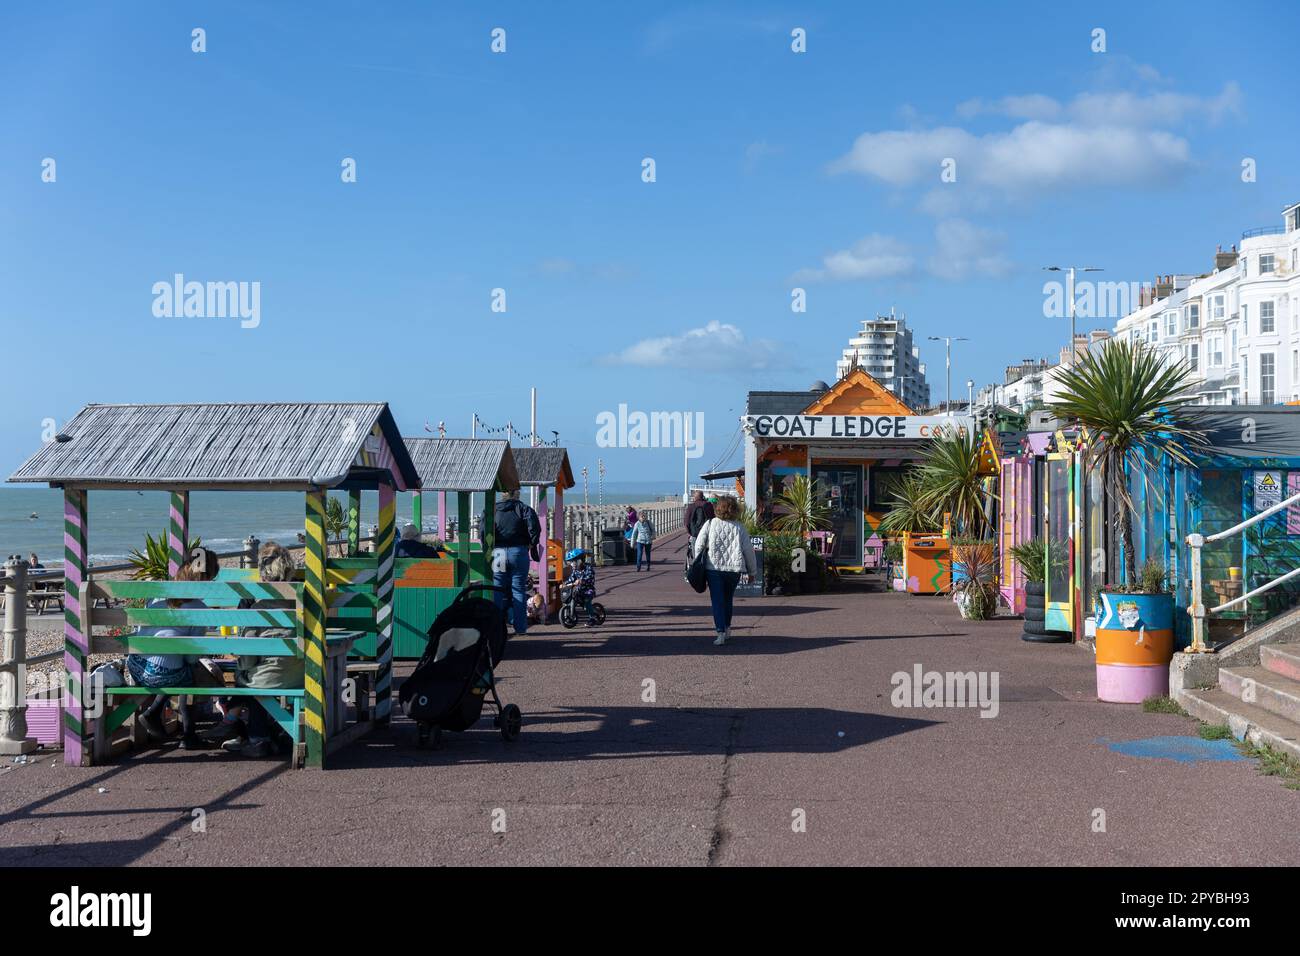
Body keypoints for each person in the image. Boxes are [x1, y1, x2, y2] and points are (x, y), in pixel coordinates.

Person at [203, 542, 302, 758]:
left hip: (267, 680)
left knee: (250, 678)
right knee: (258, 678)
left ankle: (253, 736)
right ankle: (254, 730)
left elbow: (248, 655)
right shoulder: (302, 605)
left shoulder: (258, 610)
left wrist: (243, 668)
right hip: (301, 675)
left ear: (263, 575)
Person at [126, 547, 219, 749]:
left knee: (179, 670)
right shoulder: (199, 609)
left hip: (135, 665)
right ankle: (187, 734)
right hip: (161, 674)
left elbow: (140, 628)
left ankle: (157, 714)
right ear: (204, 579)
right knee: (192, 673)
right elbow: (192, 658)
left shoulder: (156, 596)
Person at [693, 496, 758, 646]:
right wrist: (752, 572)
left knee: (717, 600)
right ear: (734, 510)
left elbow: (698, 545)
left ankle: (720, 632)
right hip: (734, 570)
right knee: (728, 599)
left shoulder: (710, 524)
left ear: (718, 509)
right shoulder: (740, 527)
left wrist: (698, 562)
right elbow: (749, 551)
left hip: (713, 568)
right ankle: (727, 628)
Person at [483, 488, 541, 635]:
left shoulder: (493, 509)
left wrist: (487, 547)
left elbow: (483, 530)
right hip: (518, 551)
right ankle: (520, 628)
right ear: (517, 494)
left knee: (497, 590)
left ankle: (494, 627)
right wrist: (531, 544)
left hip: (499, 552)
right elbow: (535, 528)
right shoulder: (524, 508)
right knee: (518, 590)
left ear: (502, 494)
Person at [562, 548, 599, 626]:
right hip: (579, 591)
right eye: (571, 562)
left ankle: (592, 618)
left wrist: (582, 580)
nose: (572, 564)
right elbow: (571, 579)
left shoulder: (588, 568)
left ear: (580, 560)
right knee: (571, 598)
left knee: (586, 601)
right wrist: (565, 584)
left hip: (588, 590)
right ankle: (570, 614)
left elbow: (590, 576)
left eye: (573, 561)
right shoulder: (575, 571)